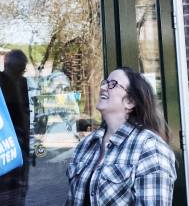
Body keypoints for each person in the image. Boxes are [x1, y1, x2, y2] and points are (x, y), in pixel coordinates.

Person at [64, 66, 176, 206]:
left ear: (130, 102)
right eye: (104, 82)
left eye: (112, 84)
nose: (103, 87)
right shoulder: (86, 144)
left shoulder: (150, 148)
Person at [0, 49, 31, 206]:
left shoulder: (22, 83)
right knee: (5, 190)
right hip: (4, 144)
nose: (21, 71)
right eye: (20, 68)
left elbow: (25, 113)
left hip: (20, 143)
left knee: (18, 189)